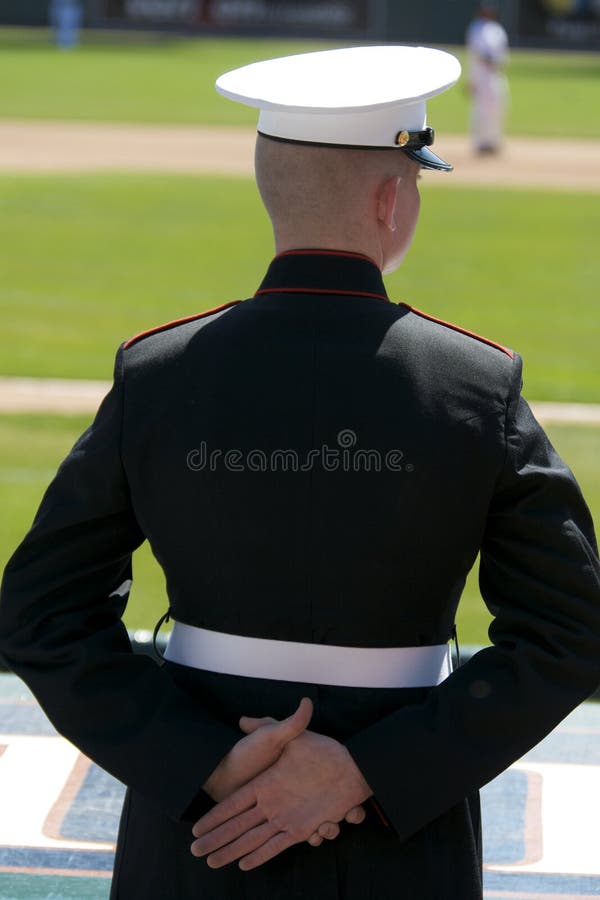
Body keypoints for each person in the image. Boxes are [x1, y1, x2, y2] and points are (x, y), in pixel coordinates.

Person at [1, 45, 599, 900]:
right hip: (402, 846)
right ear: (390, 199)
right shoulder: (476, 384)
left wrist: (202, 761)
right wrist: (374, 771)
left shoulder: (157, 373)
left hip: (203, 838)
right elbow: (571, 632)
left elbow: (40, 613)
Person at [466, 2, 509, 153]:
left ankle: (493, 141)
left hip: (495, 74)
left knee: (498, 107)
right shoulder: (476, 27)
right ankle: (481, 143)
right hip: (481, 74)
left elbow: (502, 54)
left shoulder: (497, 29)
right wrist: (471, 80)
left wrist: (498, 62)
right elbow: (477, 54)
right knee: (481, 109)